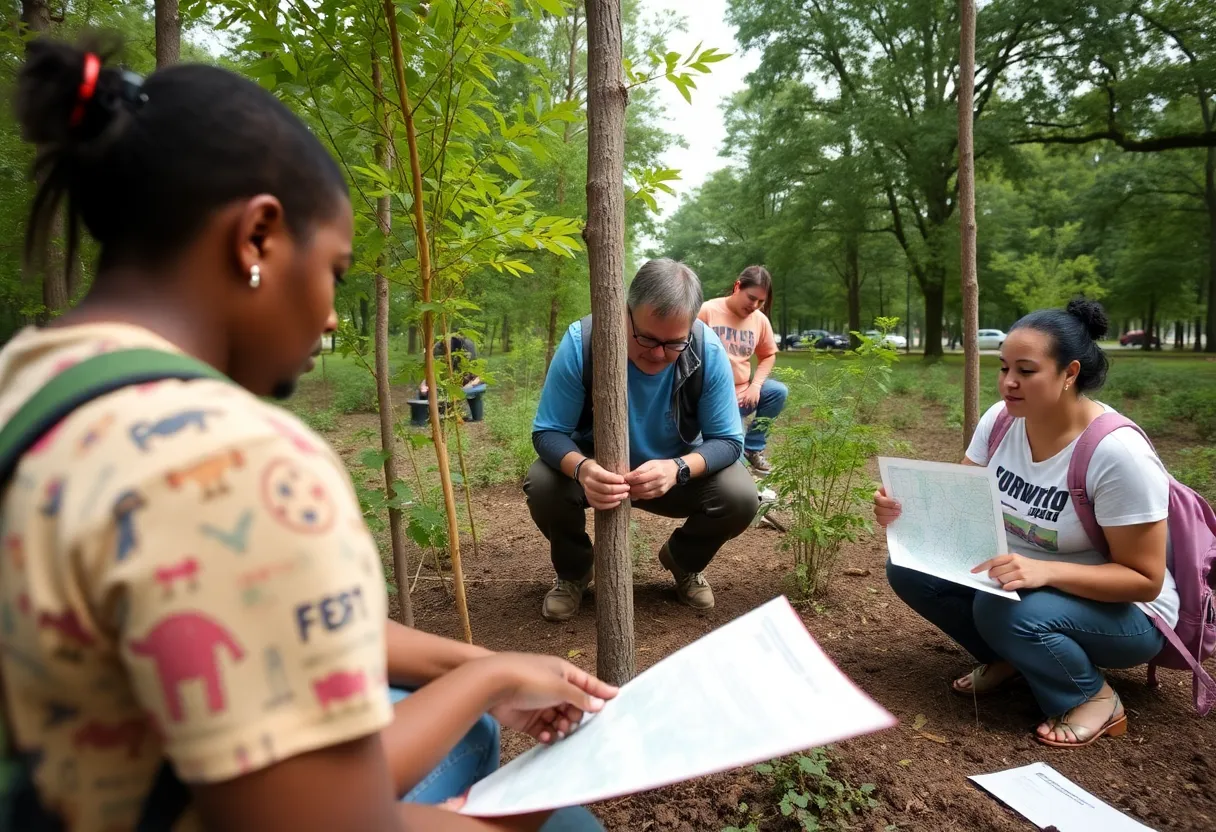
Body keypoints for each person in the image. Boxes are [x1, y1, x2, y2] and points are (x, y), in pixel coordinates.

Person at [0, 38, 615, 831]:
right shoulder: (232, 463)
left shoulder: (28, 379)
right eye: (335, 269)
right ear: (258, 236)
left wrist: (483, 673)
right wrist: (518, 813)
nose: (329, 316)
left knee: (464, 727)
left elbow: (259, 615)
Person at [875, 300, 1176, 748]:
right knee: (910, 568)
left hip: (1129, 617)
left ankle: (1092, 697)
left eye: (1026, 371)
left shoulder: (1117, 455)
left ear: (1069, 373)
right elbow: (965, 507)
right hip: (1024, 582)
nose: (1008, 383)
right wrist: (904, 513)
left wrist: (1044, 571)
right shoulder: (1000, 421)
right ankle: (1011, 656)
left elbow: (1144, 580)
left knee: (1002, 608)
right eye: (1003, 368)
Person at [525, 259, 756, 622]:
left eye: (674, 343)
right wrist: (583, 469)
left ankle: (684, 561)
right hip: (597, 473)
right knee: (542, 483)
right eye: (647, 338)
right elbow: (547, 432)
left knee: (739, 495)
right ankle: (574, 572)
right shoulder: (582, 343)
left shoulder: (706, 350)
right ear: (624, 313)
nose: (659, 353)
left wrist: (678, 468)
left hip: (672, 475)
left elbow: (728, 441)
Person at [697, 265, 786, 475]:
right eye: (751, 297)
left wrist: (755, 386)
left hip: (744, 393)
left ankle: (753, 449)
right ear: (737, 286)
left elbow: (768, 355)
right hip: (714, 396)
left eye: (761, 301)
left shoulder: (760, 320)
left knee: (777, 391)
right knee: (731, 454)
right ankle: (738, 467)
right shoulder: (707, 311)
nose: (755, 305)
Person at [419, 333, 484, 397]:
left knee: (475, 391)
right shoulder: (437, 348)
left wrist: (469, 385)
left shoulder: (468, 348)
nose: (447, 357)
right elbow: (431, 371)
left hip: (465, 381)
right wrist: (424, 384)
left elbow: (477, 376)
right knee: (423, 393)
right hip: (444, 383)